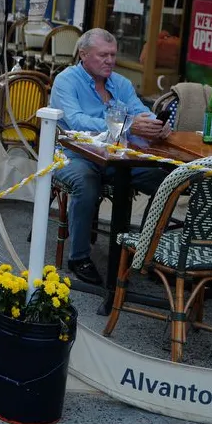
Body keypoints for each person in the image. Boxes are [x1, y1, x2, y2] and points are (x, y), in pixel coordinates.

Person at [49, 28, 170, 286]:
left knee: (168, 181)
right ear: (83, 54)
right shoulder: (66, 80)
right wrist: (127, 125)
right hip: (72, 154)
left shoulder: (122, 84)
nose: (110, 61)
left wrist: (156, 126)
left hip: (117, 158)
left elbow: (140, 114)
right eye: (103, 55)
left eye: (113, 55)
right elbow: (76, 122)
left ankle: (145, 252)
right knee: (85, 183)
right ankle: (79, 257)